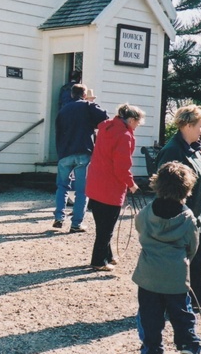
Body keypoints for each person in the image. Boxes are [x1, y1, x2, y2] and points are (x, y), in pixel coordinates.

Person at [132, 161, 201, 354]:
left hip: (148, 274)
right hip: (176, 275)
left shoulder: (147, 212)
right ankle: (189, 345)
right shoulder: (187, 216)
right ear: (187, 188)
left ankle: (151, 350)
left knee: (149, 316)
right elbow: (193, 245)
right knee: (182, 313)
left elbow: (139, 228)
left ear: (158, 184)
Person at [155, 105, 201, 310]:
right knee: (180, 263)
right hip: (180, 217)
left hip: (198, 214)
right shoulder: (172, 151)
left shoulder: (196, 150)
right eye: (200, 125)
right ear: (188, 125)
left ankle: (199, 297)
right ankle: (175, 303)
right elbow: (164, 188)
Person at [85, 104, 145, 271]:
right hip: (110, 187)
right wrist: (131, 184)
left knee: (102, 225)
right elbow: (122, 167)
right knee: (107, 228)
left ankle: (108, 256)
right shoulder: (124, 135)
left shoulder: (105, 127)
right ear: (132, 120)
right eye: (137, 123)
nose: (137, 127)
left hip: (96, 183)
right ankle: (98, 261)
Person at [53, 83, 108, 232]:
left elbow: (57, 131)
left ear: (71, 94)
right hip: (83, 151)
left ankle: (59, 217)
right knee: (82, 190)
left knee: (62, 186)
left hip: (65, 153)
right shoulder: (88, 106)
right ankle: (76, 223)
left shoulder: (63, 110)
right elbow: (105, 118)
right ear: (84, 95)